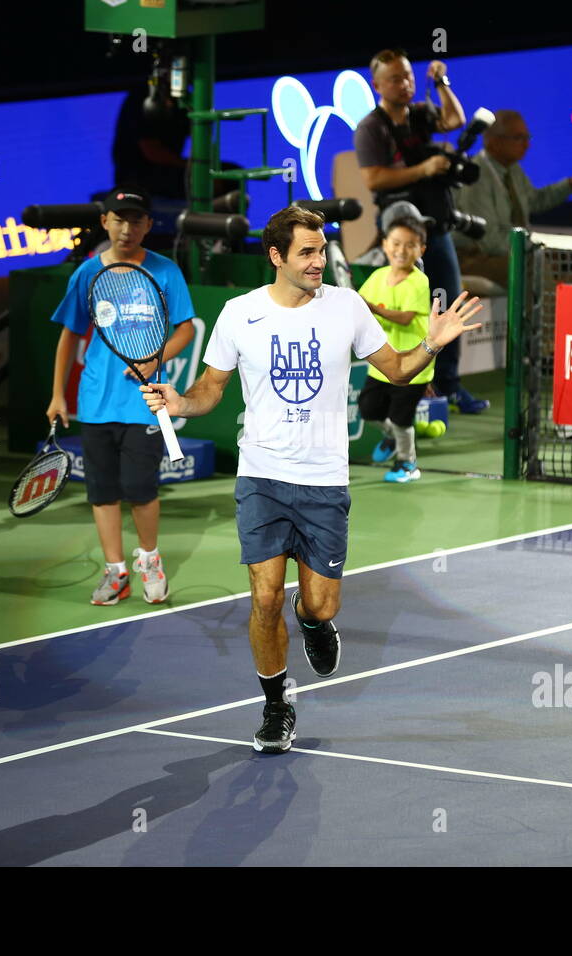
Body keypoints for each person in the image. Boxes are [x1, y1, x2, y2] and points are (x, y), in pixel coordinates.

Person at [140, 206, 483, 753]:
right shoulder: (238, 314)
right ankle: (277, 706)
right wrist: (180, 402)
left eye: (321, 250)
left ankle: (316, 623)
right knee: (265, 597)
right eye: (306, 252)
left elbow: (396, 368)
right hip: (262, 477)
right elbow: (210, 388)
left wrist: (434, 342)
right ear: (276, 256)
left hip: (324, 482)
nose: (319, 261)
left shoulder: (345, 307)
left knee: (319, 604)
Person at [46, 188, 197, 606]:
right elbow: (69, 335)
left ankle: (149, 560)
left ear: (148, 226)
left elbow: (185, 327)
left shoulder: (166, 272)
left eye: (136, 221)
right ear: (105, 222)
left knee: (140, 487)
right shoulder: (87, 274)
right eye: (119, 219)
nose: (127, 228)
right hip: (95, 402)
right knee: (102, 490)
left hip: (145, 401)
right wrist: (59, 395)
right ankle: (115, 572)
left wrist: (155, 358)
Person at [353, 48, 489, 415]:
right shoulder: (371, 127)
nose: (405, 84)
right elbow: (374, 177)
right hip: (400, 228)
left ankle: (450, 386)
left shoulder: (422, 113)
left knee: (445, 301)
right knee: (414, 305)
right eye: (396, 78)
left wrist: (441, 82)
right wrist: (425, 169)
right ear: (377, 84)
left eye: (409, 76)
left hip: (434, 225)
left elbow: (454, 119)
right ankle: (413, 386)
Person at [454, 110, 572, 283]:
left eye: (527, 137)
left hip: (509, 250)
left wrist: (571, 183)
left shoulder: (513, 170)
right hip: (475, 257)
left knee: (567, 259)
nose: (526, 145)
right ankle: (550, 310)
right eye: (518, 138)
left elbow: (535, 200)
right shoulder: (476, 175)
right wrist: (535, 248)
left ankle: (567, 308)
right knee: (533, 266)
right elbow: (490, 241)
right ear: (493, 141)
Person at [358, 216, 432, 483]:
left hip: (413, 364)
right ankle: (391, 437)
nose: (401, 250)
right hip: (381, 362)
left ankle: (408, 463)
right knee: (368, 409)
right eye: (396, 243)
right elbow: (360, 308)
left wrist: (372, 308)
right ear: (385, 245)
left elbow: (406, 317)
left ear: (421, 250)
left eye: (410, 245)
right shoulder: (377, 277)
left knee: (401, 418)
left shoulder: (418, 282)